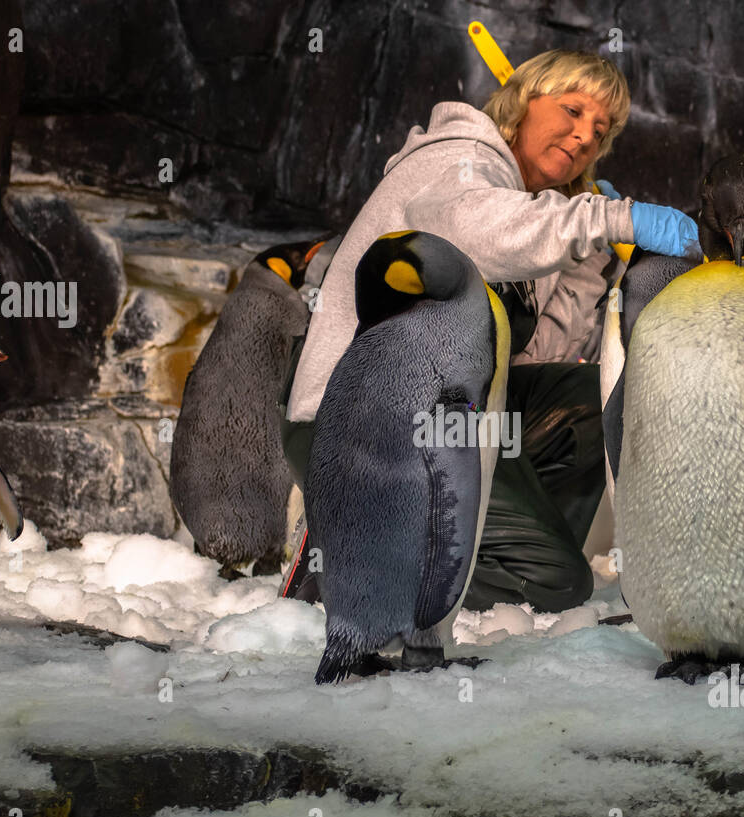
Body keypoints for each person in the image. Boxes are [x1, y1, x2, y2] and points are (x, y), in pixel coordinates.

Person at [280, 49, 699, 611]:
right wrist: (613, 218)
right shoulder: (460, 159)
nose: (584, 137)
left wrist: (592, 262)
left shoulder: (538, 210)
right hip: (361, 426)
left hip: (453, 420)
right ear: (522, 102)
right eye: (572, 111)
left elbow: (537, 354)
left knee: (598, 399)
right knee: (554, 585)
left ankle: (502, 555)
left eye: (600, 131)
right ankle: (351, 559)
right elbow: (479, 231)